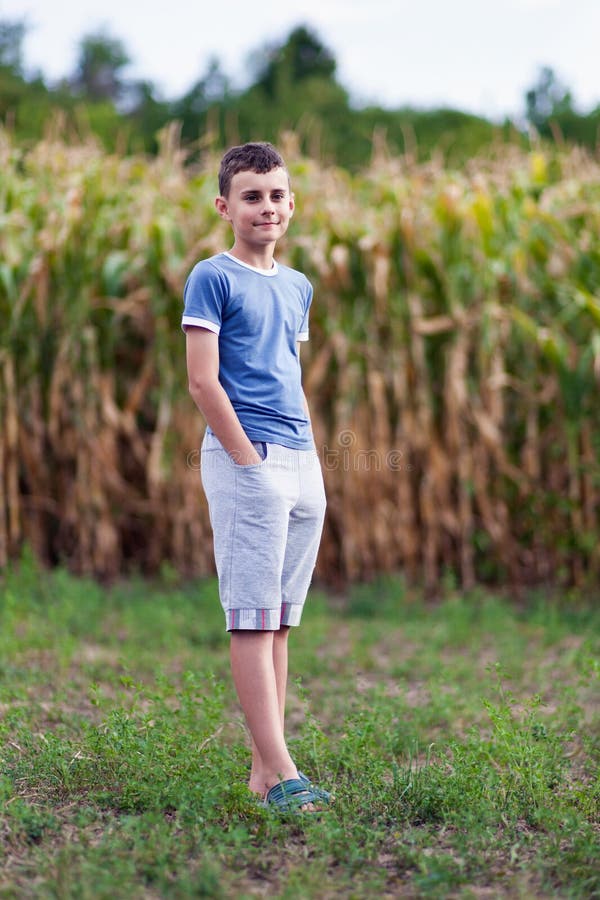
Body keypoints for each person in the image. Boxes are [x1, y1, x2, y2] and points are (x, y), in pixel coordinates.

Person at [182, 142, 330, 813]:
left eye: (275, 195)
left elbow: (288, 376)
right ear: (224, 206)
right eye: (251, 196)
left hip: (302, 460)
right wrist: (250, 463)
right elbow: (203, 380)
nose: (265, 207)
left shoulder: (298, 285)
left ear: (291, 203)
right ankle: (286, 772)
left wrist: (309, 460)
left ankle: (261, 773)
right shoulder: (212, 277)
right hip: (249, 460)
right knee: (249, 619)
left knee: (277, 622)